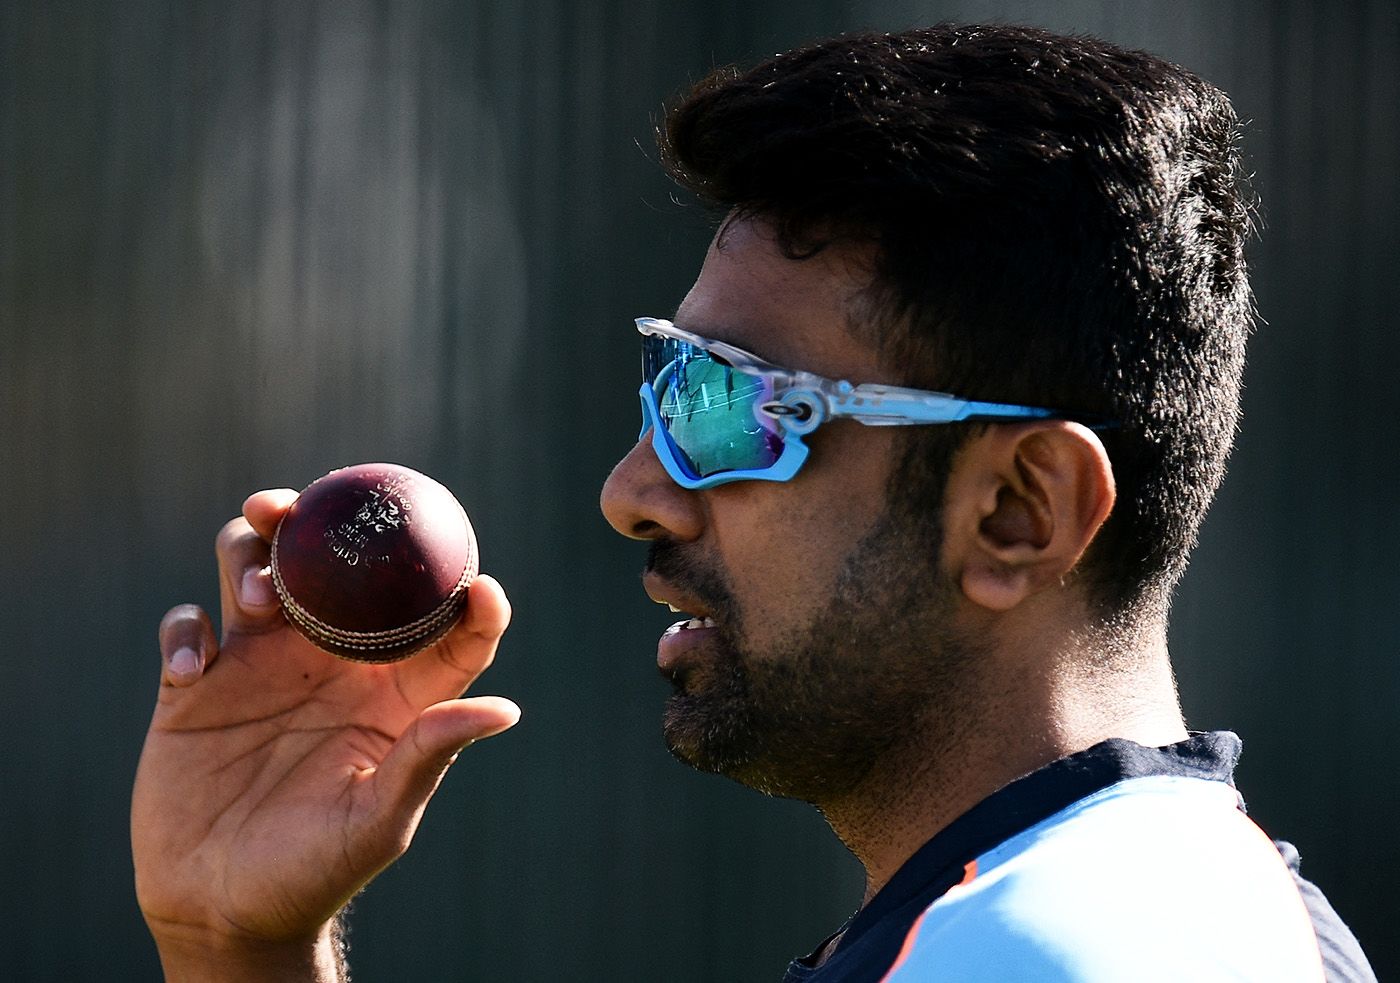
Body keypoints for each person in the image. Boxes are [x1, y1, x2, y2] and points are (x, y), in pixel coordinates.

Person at [131, 23, 1376, 982]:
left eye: (725, 404)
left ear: (1015, 508)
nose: (632, 491)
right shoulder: (1116, 913)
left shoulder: (1059, 951)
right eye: (665, 380)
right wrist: (238, 944)